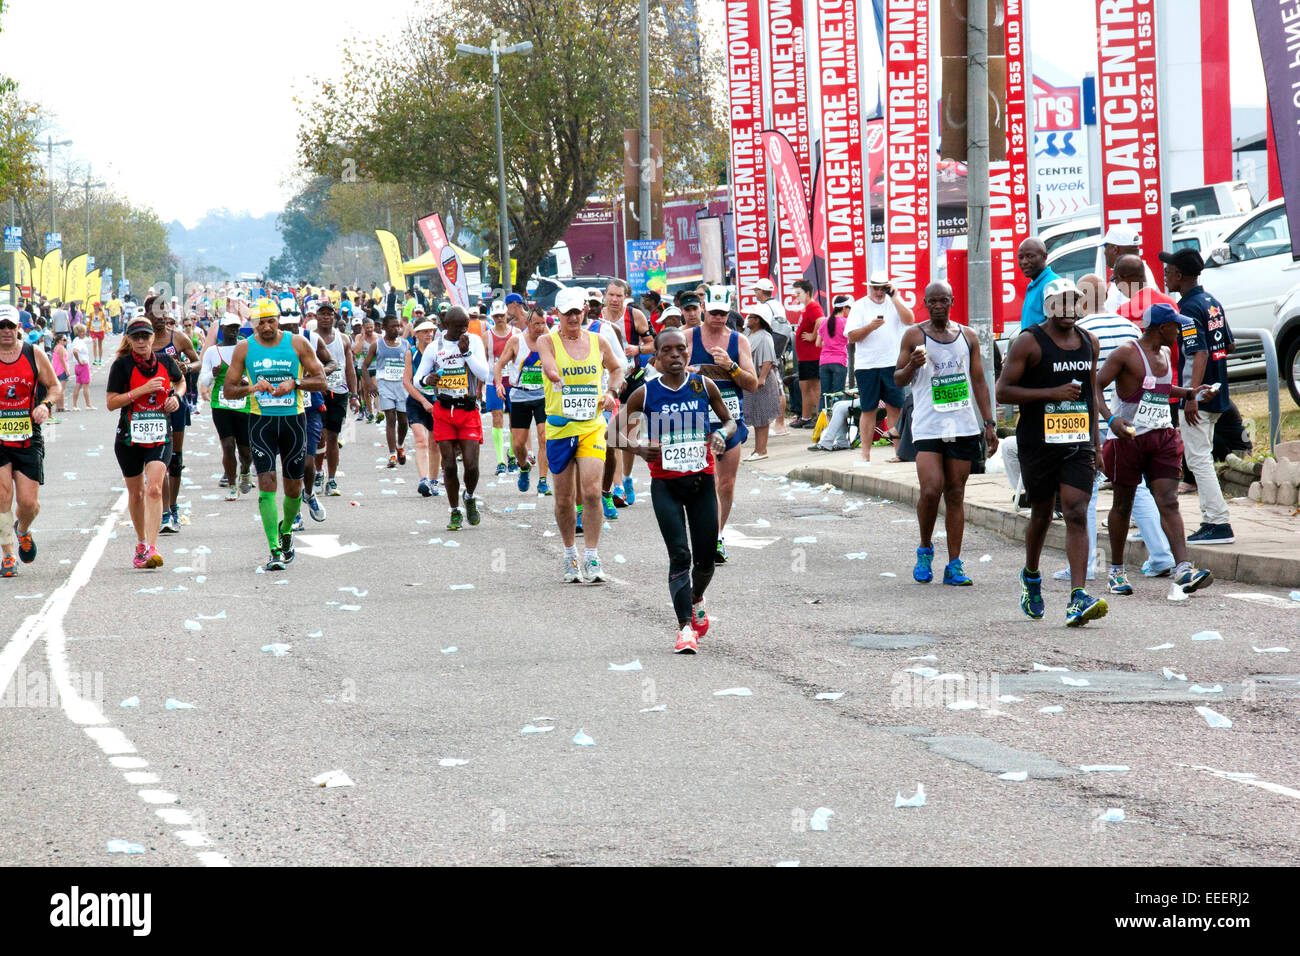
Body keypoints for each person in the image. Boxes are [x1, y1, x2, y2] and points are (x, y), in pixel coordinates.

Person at [996, 278, 1109, 626]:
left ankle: (1078, 597)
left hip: (1077, 444)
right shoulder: (1029, 342)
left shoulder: (1089, 341)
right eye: (1061, 303)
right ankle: (1031, 575)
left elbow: (1091, 393)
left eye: (1075, 302)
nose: (1070, 310)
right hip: (1038, 443)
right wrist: (1051, 393)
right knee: (1042, 514)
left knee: (1076, 510)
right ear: (1048, 307)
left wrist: (1097, 442)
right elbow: (1003, 392)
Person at [619, 329, 735, 653]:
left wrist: (721, 435)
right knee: (679, 555)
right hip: (666, 486)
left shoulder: (703, 386)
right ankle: (685, 628)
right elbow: (613, 435)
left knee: (706, 558)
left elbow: (730, 422)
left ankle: (697, 597)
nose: (674, 355)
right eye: (666, 350)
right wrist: (639, 449)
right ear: (655, 357)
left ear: (687, 353)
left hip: (701, 484)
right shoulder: (645, 394)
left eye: (680, 349)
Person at [1096, 303, 1215, 596]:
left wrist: (1191, 392)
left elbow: (1158, 389)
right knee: (1123, 504)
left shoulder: (1164, 352)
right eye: (1176, 326)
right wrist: (1110, 419)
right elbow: (1095, 385)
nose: (1180, 330)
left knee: (1169, 501)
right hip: (1129, 439)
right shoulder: (1126, 353)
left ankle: (1184, 569)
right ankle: (1116, 572)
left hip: (1161, 438)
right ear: (1162, 328)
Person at [1069, 274, 1175, 580]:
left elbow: (1085, 382)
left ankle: (1086, 565)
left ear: (1083, 301)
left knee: (1085, 490)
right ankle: (1161, 554)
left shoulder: (1081, 331)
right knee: (1135, 489)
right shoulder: (1129, 328)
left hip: (1097, 422)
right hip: (1132, 421)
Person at [895, 281, 998, 586]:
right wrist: (912, 365)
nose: (939, 305)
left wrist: (989, 423)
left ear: (953, 301)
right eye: (933, 301)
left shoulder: (967, 336)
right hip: (928, 424)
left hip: (963, 425)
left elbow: (978, 380)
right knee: (931, 489)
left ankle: (954, 564)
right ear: (925, 303)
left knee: (955, 493)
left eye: (944, 300)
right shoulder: (914, 335)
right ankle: (925, 548)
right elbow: (898, 379)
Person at [221, 298, 328, 571]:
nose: (266, 327)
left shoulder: (297, 343)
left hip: (293, 422)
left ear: (278, 319)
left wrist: (296, 383)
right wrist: (253, 388)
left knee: (293, 489)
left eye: (271, 321)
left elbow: (321, 381)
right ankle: (274, 549)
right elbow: (229, 390)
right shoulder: (245, 348)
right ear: (252, 324)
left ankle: (286, 529)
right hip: (261, 423)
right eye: (260, 323)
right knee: (267, 484)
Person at [538, 287, 625, 582]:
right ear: (557, 315)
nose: (573, 317)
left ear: (585, 310)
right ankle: (569, 555)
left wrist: (612, 391)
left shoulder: (598, 341)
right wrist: (555, 377)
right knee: (564, 499)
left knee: (590, 492)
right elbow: (549, 366)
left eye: (577, 311)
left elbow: (617, 369)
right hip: (560, 427)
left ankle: (592, 556)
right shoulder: (546, 341)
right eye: (567, 312)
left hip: (591, 426)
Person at [1161, 247, 1235, 545]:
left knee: (1198, 459)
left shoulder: (1188, 309)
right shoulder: (1211, 302)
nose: (1165, 275)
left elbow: (1199, 352)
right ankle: (1211, 519)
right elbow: (1227, 347)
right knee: (1200, 456)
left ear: (1179, 275)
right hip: (1218, 393)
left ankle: (1218, 522)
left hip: (1199, 398)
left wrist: (1191, 395)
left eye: (1168, 271)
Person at [107, 315, 183, 570]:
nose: (141, 341)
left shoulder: (164, 361)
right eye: (136, 336)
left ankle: (151, 548)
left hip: (160, 436)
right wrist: (141, 390)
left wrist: (177, 398)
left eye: (145, 336)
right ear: (128, 339)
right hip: (129, 437)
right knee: (136, 492)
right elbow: (111, 402)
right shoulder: (122, 366)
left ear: (153, 338)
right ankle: (141, 542)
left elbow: (180, 382)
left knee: (154, 489)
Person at [686, 287, 757, 563]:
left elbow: (752, 383)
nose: (718, 318)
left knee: (725, 484)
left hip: (730, 420)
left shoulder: (738, 341)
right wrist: (683, 371)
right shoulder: (687, 338)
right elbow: (661, 369)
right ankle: (704, 534)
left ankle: (717, 536)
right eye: (714, 312)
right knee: (705, 482)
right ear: (704, 308)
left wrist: (731, 367)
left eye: (723, 314)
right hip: (698, 421)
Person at [415, 306, 491, 531]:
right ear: (445, 325)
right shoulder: (434, 348)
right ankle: (454, 510)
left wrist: (466, 353)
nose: (463, 330)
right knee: (448, 466)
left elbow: (484, 374)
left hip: (467, 410)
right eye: (458, 326)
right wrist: (427, 380)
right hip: (443, 411)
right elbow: (418, 378)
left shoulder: (473, 341)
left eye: (465, 325)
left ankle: (469, 496)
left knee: (471, 465)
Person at [0, 305, 60, 577]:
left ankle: (22, 529)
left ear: (18, 328)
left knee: (27, 504)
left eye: (10, 326)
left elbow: (55, 385)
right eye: (1, 327)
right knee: (2, 497)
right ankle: (9, 556)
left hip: (28, 435)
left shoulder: (33, 353)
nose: (6, 331)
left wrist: (46, 405)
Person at [144, 296, 200, 534]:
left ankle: (173, 507)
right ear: (146, 313)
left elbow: (198, 361)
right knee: (157, 460)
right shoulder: (140, 338)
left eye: (162, 312)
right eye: (154, 313)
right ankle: (163, 510)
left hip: (175, 402)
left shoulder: (178, 337)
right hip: (147, 407)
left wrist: (187, 368)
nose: (159, 317)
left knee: (174, 459)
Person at [845, 271, 915, 461]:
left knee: (895, 408)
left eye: (883, 288)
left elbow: (910, 320)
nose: (879, 292)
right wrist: (870, 327)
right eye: (875, 288)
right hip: (867, 365)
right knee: (869, 409)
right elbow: (851, 337)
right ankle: (865, 455)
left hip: (892, 363)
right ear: (869, 287)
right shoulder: (859, 306)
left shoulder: (894, 303)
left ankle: (899, 453)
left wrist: (896, 297)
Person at [494, 307, 550, 496]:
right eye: (536, 324)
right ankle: (524, 467)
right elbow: (499, 365)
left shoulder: (549, 341)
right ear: (527, 324)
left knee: (544, 437)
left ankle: (543, 480)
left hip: (542, 396)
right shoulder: (516, 341)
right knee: (518, 445)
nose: (540, 328)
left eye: (543, 324)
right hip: (519, 395)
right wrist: (499, 384)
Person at [199, 313, 255, 501]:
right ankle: (232, 485)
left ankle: (245, 471)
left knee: (246, 451)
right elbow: (204, 379)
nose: (233, 331)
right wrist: (213, 375)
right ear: (221, 329)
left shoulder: (247, 347)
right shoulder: (212, 352)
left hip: (244, 402)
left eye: (236, 327)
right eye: (230, 327)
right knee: (228, 446)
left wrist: (246, 380)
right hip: (221, 403)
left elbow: (256, 373)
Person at [313, 303, 357, 497]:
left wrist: (355, 395)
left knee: (333, 436)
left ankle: (331, 479)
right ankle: (318, 473)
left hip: (339, 393)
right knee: (320, 435)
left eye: (329, 314)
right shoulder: (310, 338)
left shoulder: (343, 339)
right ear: (316, 316)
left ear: (334, 317)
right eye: (322, 314)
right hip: (317, 393)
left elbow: (350, 369)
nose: (325, 317)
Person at [360, 310, 411, 468]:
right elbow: (364, 366)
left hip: (402, 386)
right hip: (385, 385)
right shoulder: (378, 345)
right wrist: (369, 384)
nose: (397, 329)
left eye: (398, 326)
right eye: (393, 327)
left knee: (403, 421)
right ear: (384, 328)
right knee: (391, 418)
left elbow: (411, 367)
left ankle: (400, 446)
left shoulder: (406, 344)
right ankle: (392, 455)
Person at [402, 316, 442, 497]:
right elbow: (407, 382)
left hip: (436, 402)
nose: (429, 334)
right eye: (425, 331)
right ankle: (423, 479)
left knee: (435, 443)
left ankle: (433, 481)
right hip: (417, 402)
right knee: (420, 440)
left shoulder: (439, 351)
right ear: (416, 334)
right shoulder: (411, 352)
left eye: (431, 331)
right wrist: (423, 401)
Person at [741, 303, 782, 460]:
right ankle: (757, 449)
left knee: (762, 416)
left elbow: (768, 360)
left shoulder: (765, 336)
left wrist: (762, 378)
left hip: (760, 380)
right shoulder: (748, 335)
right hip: (752, 380)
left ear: (758, 320)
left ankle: (761, 450)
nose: (747, 319)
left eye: (750, 317)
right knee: (756, 416)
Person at [484, 299, 518, 476]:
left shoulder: (516, 333)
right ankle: (500, 461)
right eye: (496, 316)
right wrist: (479, 386)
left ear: (507, 315)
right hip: (493, 381)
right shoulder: (487, 335)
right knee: (497, 417)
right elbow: (483, 361)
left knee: (514, 419)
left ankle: (512, 455)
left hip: (512, 381)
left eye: (502, 315)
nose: (499, 319)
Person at [791, 279, 823, 426]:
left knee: (814, 386)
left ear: (807, 293)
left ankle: (819, 418)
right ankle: (806, 417)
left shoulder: (813, 307)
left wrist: (814, 335)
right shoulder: (807, 308)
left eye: (799, 293)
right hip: (805, 356)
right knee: (804, 385)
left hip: (812, 355)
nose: (796, 297)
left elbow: (821, 320)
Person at [1017, 237, 1059, 331]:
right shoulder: (1035, 283)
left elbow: (1054, 328)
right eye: (1021, 257)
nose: (1024, 262)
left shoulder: (1051, 285)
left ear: (1044, 257)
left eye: (1030, 256)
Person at [816, 294, 851, 402]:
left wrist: (829, 345)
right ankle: (837, 418)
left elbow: (818, 343)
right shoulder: (846, 322)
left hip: (824, 362)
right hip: (839, 361)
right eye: (849, 308)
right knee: (838, 394)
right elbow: (851, 340)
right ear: (844, 308)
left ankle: (823, 418)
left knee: (824, 395)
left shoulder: (825, 321)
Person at [70, 325, 93, 410]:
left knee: (78, 385)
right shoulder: (79, 342)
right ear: (78, 333)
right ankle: (88, 404)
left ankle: (75, 405)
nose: (83, 333)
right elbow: (75, 351)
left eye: (84, 331)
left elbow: (90, 339)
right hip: (82, 365)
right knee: (86, 385)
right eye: (81, 332)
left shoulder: (76, 340)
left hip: (77, 366)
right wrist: (80, 361)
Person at [50, 334, 69, 417]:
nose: (65, 341)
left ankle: (58, 407)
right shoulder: (61, 348)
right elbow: (62, 360)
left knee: (59, 389)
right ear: (59, 340)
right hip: (61, 370)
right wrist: (67, 370)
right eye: (64, 340)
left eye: (66, 340)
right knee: (62, 389)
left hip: (56, 370)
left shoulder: (56, 347)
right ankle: (61, 406)